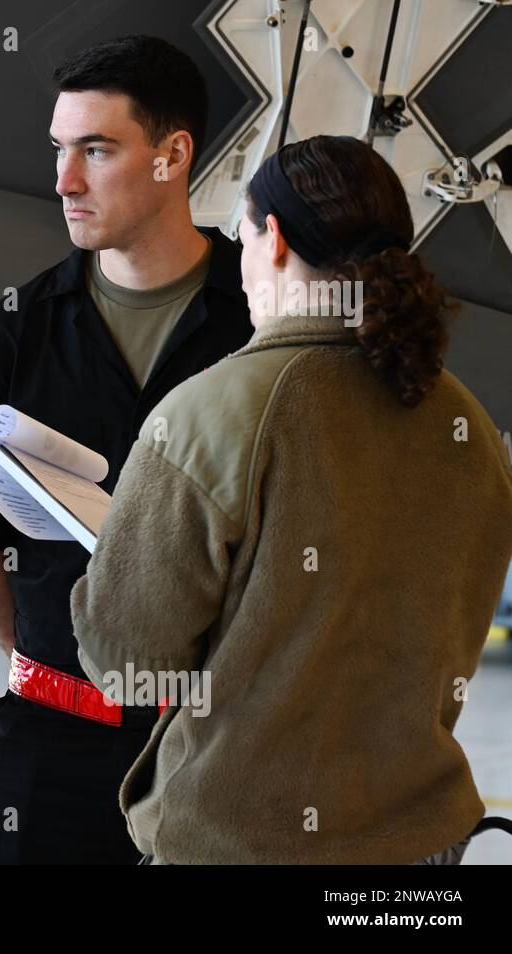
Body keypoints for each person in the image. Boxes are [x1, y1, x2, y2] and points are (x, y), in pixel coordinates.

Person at [71, 134, 512, 864]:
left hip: (240, 842)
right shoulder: (467, 423)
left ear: (271, 239)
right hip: (421, 845)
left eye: (239, 236)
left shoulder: (210, 413)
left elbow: (125, 663)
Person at [0, 35, 252, 863]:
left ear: (173, 155)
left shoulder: (261, 325)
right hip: (53, 757)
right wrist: (57, 667)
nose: (64, 180)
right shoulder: (8, 336)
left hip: (231, 753)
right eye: (61, 150)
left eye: (96, 151)